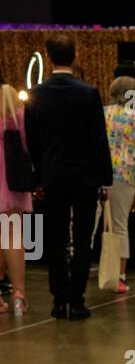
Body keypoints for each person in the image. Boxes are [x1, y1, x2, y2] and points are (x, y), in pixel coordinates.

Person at [24, 33, 113, 320]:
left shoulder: (37, 95)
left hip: (53, 176)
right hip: (85, 176)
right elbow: (99, 141)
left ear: (48, 58)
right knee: (82, 237)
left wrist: (38, 173)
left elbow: (32, 141)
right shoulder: (88, 93)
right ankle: (76, 300)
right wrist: (104, 179)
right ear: (75, 55)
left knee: (56, 238)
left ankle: (58, 298)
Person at [100, 76, 135, 292]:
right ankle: (119, 277)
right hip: (124, 177)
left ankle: (79, 271)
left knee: (88, 226)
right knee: (120, 226)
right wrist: (131, 172)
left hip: (96, 176)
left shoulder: (99, 114)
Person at [0, 81, 33, 317]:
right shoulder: (9, 99)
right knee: (12, 235)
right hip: (10, 176)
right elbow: (26, 140)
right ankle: (19, 294)